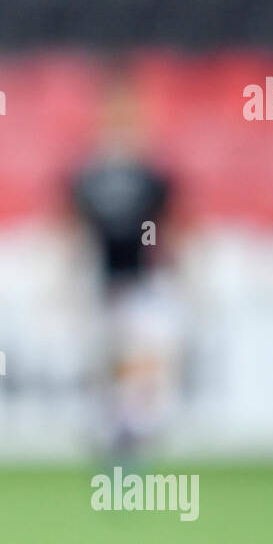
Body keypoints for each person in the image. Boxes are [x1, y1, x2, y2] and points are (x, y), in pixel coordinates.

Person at [68, 75, 183, 463]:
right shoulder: (89, 175)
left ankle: (138, 432)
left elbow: (171, 227)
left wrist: (177, 273)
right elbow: (74, 229)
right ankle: (110, 434)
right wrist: (67, 277)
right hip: (103, 283)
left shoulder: (152, 175)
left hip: (142, 282)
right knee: (107, 360)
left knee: (142, 359)